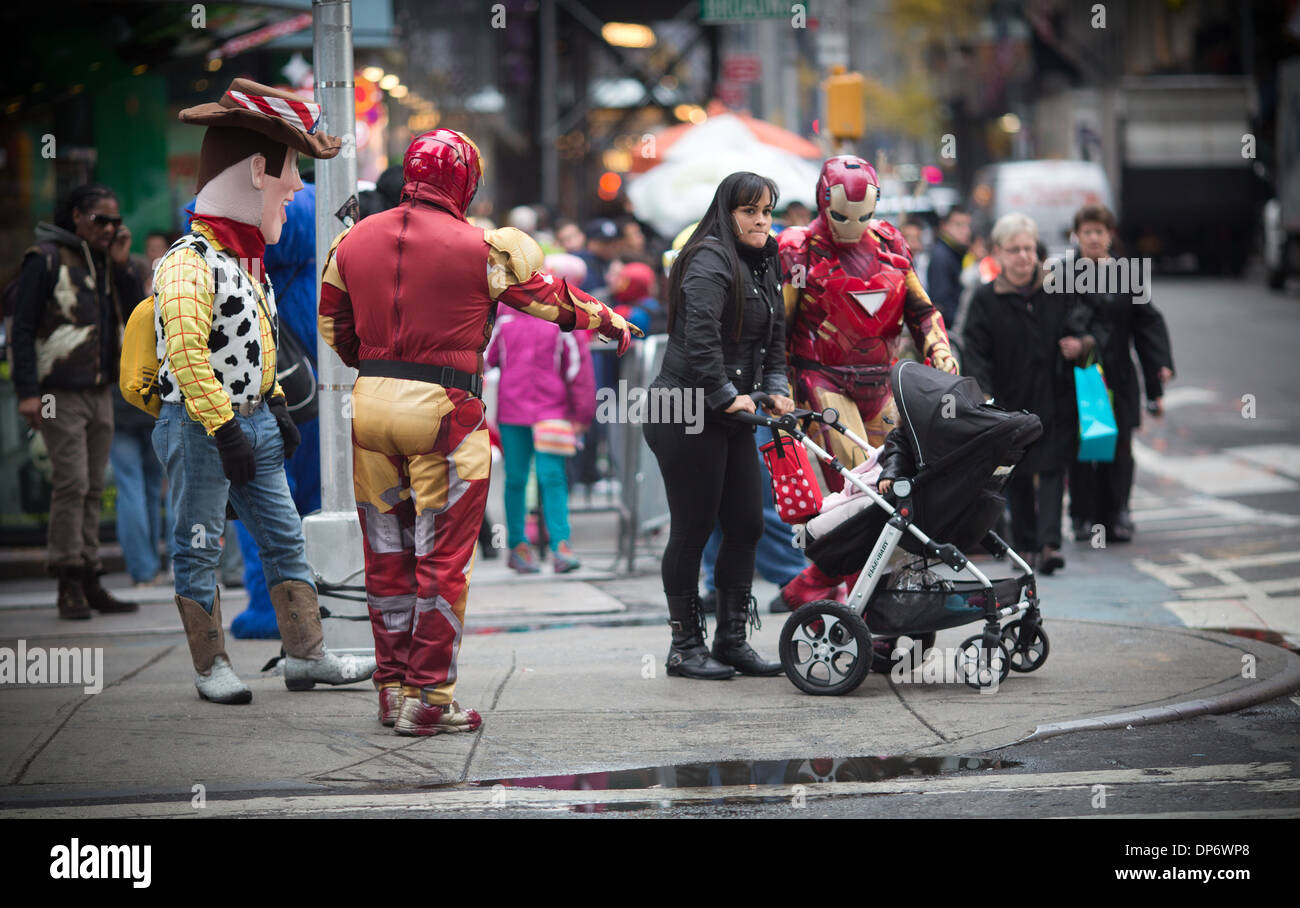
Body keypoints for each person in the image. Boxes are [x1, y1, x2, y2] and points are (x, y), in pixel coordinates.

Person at [319, 128, 639, 735]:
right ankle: (429, 699)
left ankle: (390, 691)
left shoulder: (352, 240)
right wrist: (610, 319)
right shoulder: (482, 247)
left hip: (369, 407)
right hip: (446, 412)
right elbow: (549, 300)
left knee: (386, 554)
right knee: (443, 561)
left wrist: (379, 368)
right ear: (465, 181)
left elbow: (333, 324)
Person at [154, 78, 377, 704]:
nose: (298, 190)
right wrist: (224, 428)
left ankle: (307, 655)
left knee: (283, 538)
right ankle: (209, 666)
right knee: (198, 542)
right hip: (201, 426)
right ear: (256, 170)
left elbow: (263, 347)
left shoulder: (245, 264)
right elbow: (187, 354)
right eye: (290, 175)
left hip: (249, 421)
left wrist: (274, 406)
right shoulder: (187, 262)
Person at [777, 155, 957, 610]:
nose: (853, 226)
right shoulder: (798, 247)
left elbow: (920, 309)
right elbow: (779, 325)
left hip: (882, 382)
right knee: (867, 491)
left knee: (899, 488)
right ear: (823, 202)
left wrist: (940, 352)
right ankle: (861, 599)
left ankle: (818, 583)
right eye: (841, 216)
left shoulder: (889, 241)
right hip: (822, 379)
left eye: (864, 215)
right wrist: (777, 389)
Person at [645, 171, 794, 680]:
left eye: (767, 211)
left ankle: (731, 641)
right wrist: (727, 396)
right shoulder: (708, 258)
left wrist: (776, 386)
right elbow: (699, 337)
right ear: (728, 213)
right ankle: (685, 647)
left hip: (733, 410)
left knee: (748, 524)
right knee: (693, 528)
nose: (761, 221)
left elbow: (775, 337)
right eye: (750, 211)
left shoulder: (767, 257)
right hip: (684, 408)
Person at [11, 184, 141, 619]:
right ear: (78, 218)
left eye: (116, 222)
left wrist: (120, 266)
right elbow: (22, 328)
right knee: (71, 483)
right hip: (56, 393)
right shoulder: (44, 259)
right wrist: (28, 392)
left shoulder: (105, 263)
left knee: (90, 486)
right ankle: (68, 580)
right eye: (101, 220)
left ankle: (88, 575)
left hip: (98, 390)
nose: (110, 228)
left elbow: (136, 311)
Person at [961, 212, 1090, 574]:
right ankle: (1026, 545)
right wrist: (984, 397)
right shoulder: (985, 299)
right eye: (1014, 249)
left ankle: (1049, 545)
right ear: (998, 253)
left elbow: (1085, 328)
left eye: (1029, 248)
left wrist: (1080, 344)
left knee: (1052, 470)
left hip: (1055, 394)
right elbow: (975, 352)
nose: (1023, 256)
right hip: (1008, 400)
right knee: (1014, 471)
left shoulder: (1059, 291)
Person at [230, 182, 323, 638]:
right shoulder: (319, 261)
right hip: (316, 392)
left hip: (258, 392)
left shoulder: (234, 266)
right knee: (318, 500)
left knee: (261, 505)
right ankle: (321, 600)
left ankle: (272, 609)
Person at [1066, 204, 1174, 543]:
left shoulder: (1127, 275)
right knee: (1087, 448)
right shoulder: (1064, 276)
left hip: (1119, 374)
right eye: (1088, 232)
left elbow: (1148, 323)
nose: (1095, 238)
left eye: (1101, 231)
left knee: (1121, 446)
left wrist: (1159, 365)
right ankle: (1085, 516)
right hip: (1083, 375)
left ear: (1110, 235)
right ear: (1078, 236)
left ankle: (1119, 513)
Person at [486, 265, 596, 574]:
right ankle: (544, 546)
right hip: (536, 411)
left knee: (532, 478)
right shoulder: (508, 318)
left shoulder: (510, 317)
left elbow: (578, 369)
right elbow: (578, 369)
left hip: (540, 411)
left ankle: (545, 545)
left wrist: (582, 412)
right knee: (536, 478)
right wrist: (581, 414)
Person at [926, 205, 972, 327]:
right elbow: (942, 304)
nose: (965, 231)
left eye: (967, 225)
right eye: (958, 225)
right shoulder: (942, 257)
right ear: (944, 226)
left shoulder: (956, 253)